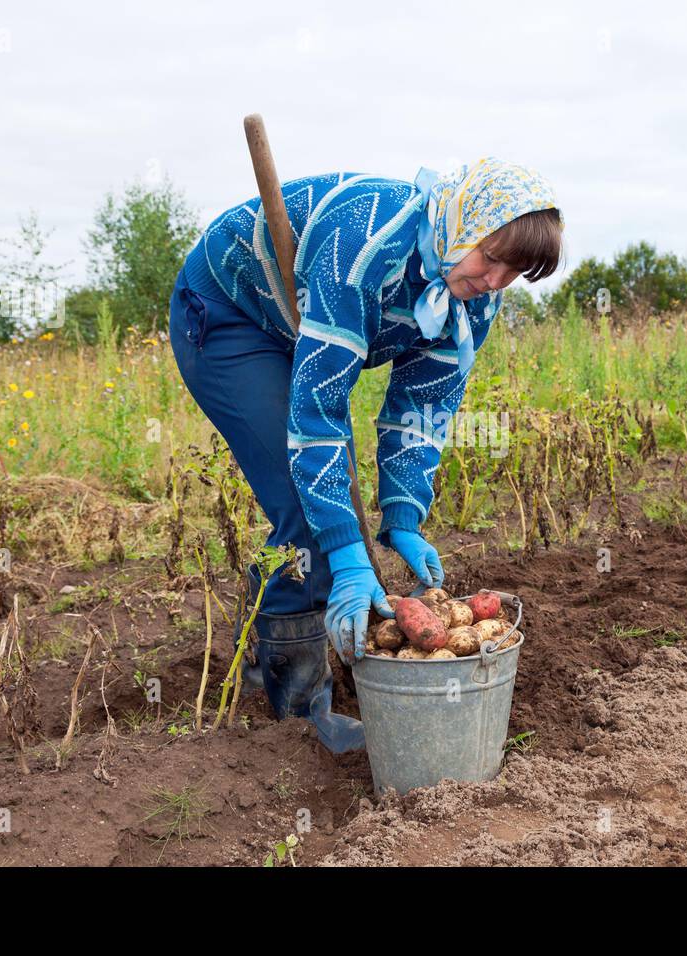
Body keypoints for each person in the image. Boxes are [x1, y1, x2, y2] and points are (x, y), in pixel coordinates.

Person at [168, 158, 563, 752]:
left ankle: (272, 643)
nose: (495, 280)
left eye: (516, 272)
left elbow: (421, 409)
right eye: (491, 256)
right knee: (312, 511)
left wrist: (403, 518)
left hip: (295, 331)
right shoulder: (365, 242)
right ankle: (296, 717)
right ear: (461, 223)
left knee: (328, 500)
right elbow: (318, 411)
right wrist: (348, 551)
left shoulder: (474, 297)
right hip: (231, 317)